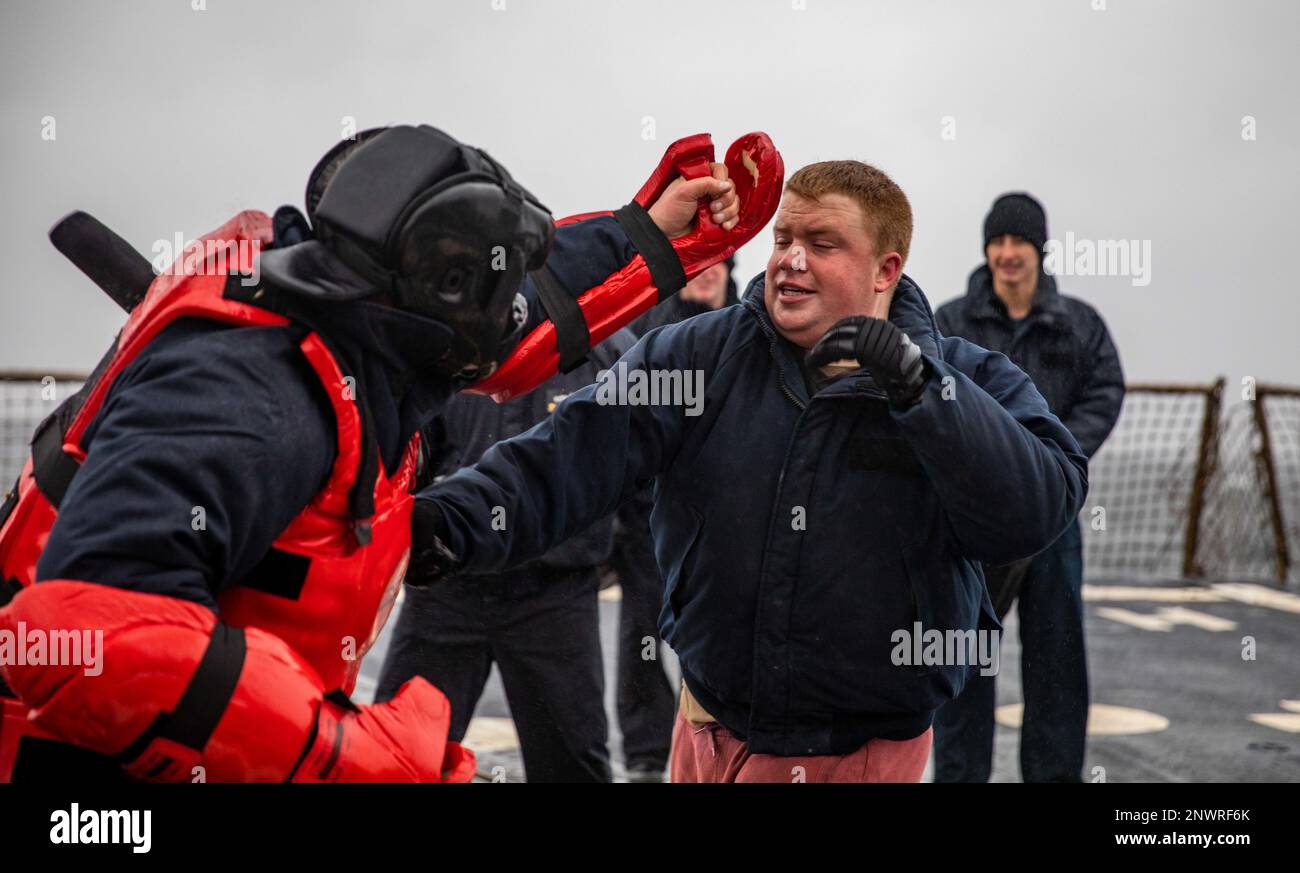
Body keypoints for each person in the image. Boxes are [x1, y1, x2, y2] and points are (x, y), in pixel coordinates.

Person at [0, 123, 743, 782]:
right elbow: (86, 626)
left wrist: (646, 234)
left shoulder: (360, 313)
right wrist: (347, 756)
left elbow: (520, 318)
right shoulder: (260, 396)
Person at [402, 160, 1089, 783]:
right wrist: (442, 523)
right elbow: (568, 450)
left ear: (886, 269)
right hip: (705, 733)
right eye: (783, 238)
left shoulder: (964, 378)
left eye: (821, 244)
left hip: (860, 759)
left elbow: (1040, 504)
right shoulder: (701, 356)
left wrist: (921, 391)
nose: (789, 260)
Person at [374, 327, 635, 783]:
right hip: (445, 584)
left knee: (573, 764)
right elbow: (404, 445)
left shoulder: (608, 341)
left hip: (556, 594)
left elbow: (641, 462)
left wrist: (619, 550)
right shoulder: (447, 332)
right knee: (395, 757)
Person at [932, 191, 1124, 783]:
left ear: (1040, 251)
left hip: (1053, 518)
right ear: (986, 250)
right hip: (976, 524)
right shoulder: (952, 320)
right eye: (998, 242)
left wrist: (1056, 457)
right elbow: (931, 392)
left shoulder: (1081, 324)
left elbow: (1105, 390)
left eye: (1018, 242)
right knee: (965, 659)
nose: (1007, 253)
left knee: (1057, 662)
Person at [609, 257, 738, 782]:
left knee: (709, 642)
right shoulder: (650, 328)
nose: (707, 274)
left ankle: (714, 745)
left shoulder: (746, 330)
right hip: (649, 523)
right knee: (640, 635)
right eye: (697, 266)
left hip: (721, 525)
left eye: (718, 265)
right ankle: (643, 752)